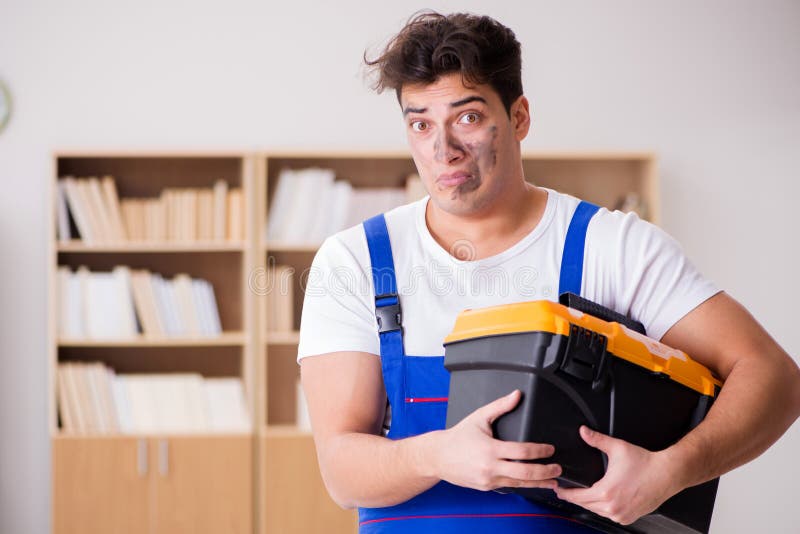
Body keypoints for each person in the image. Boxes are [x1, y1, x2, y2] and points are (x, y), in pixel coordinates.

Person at [297, 11, 800, 533]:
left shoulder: (613, 248)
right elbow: (342, 470)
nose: (442, 149)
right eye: (421, 123)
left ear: (518, 118)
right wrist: (440, 455)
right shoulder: (357, 261)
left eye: (467, 118)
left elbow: (774, 378)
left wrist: (670, 471)